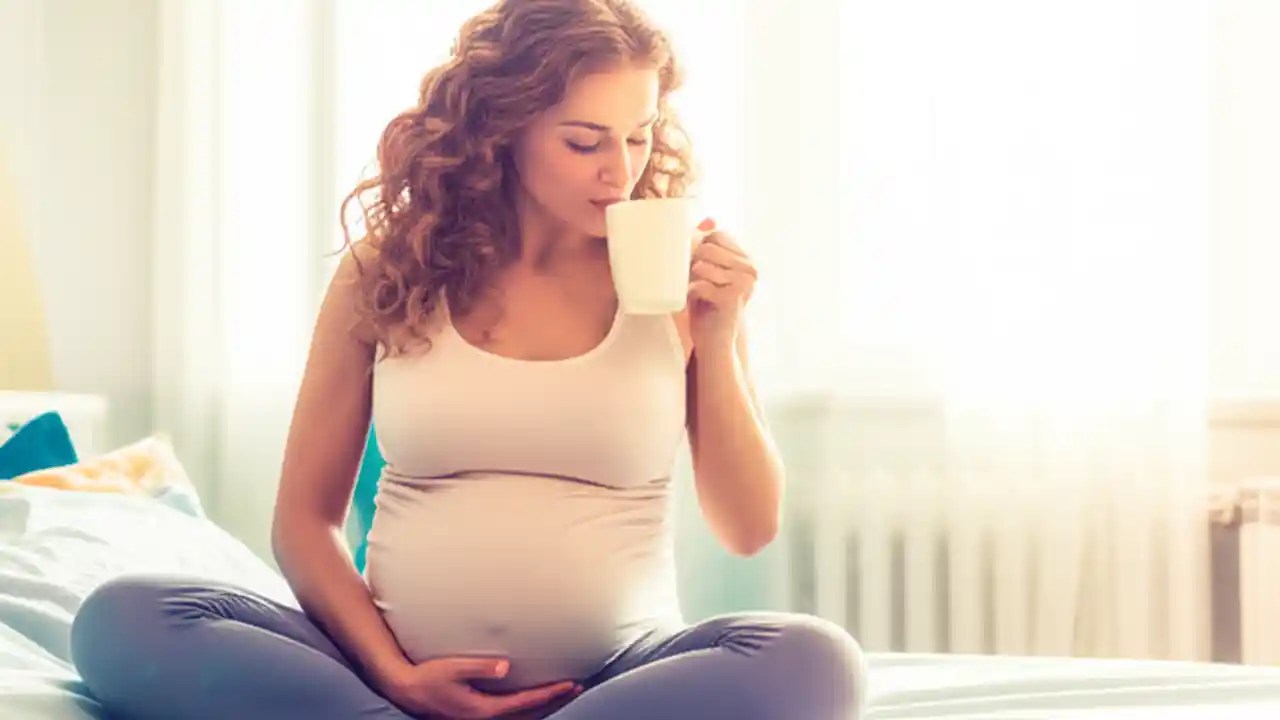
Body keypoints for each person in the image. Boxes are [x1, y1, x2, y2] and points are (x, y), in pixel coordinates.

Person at [69, 1, 868, 718]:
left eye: (639, 134)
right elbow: (303, 523)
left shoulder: (675, 279)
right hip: (384, 675)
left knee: (814, 663)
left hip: (614, 678)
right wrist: (393, 679)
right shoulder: (390, 269)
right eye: (585, 140)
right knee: (125, 617)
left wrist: (719, 334)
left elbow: (748, 526)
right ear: (503, 128)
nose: (620, 170)